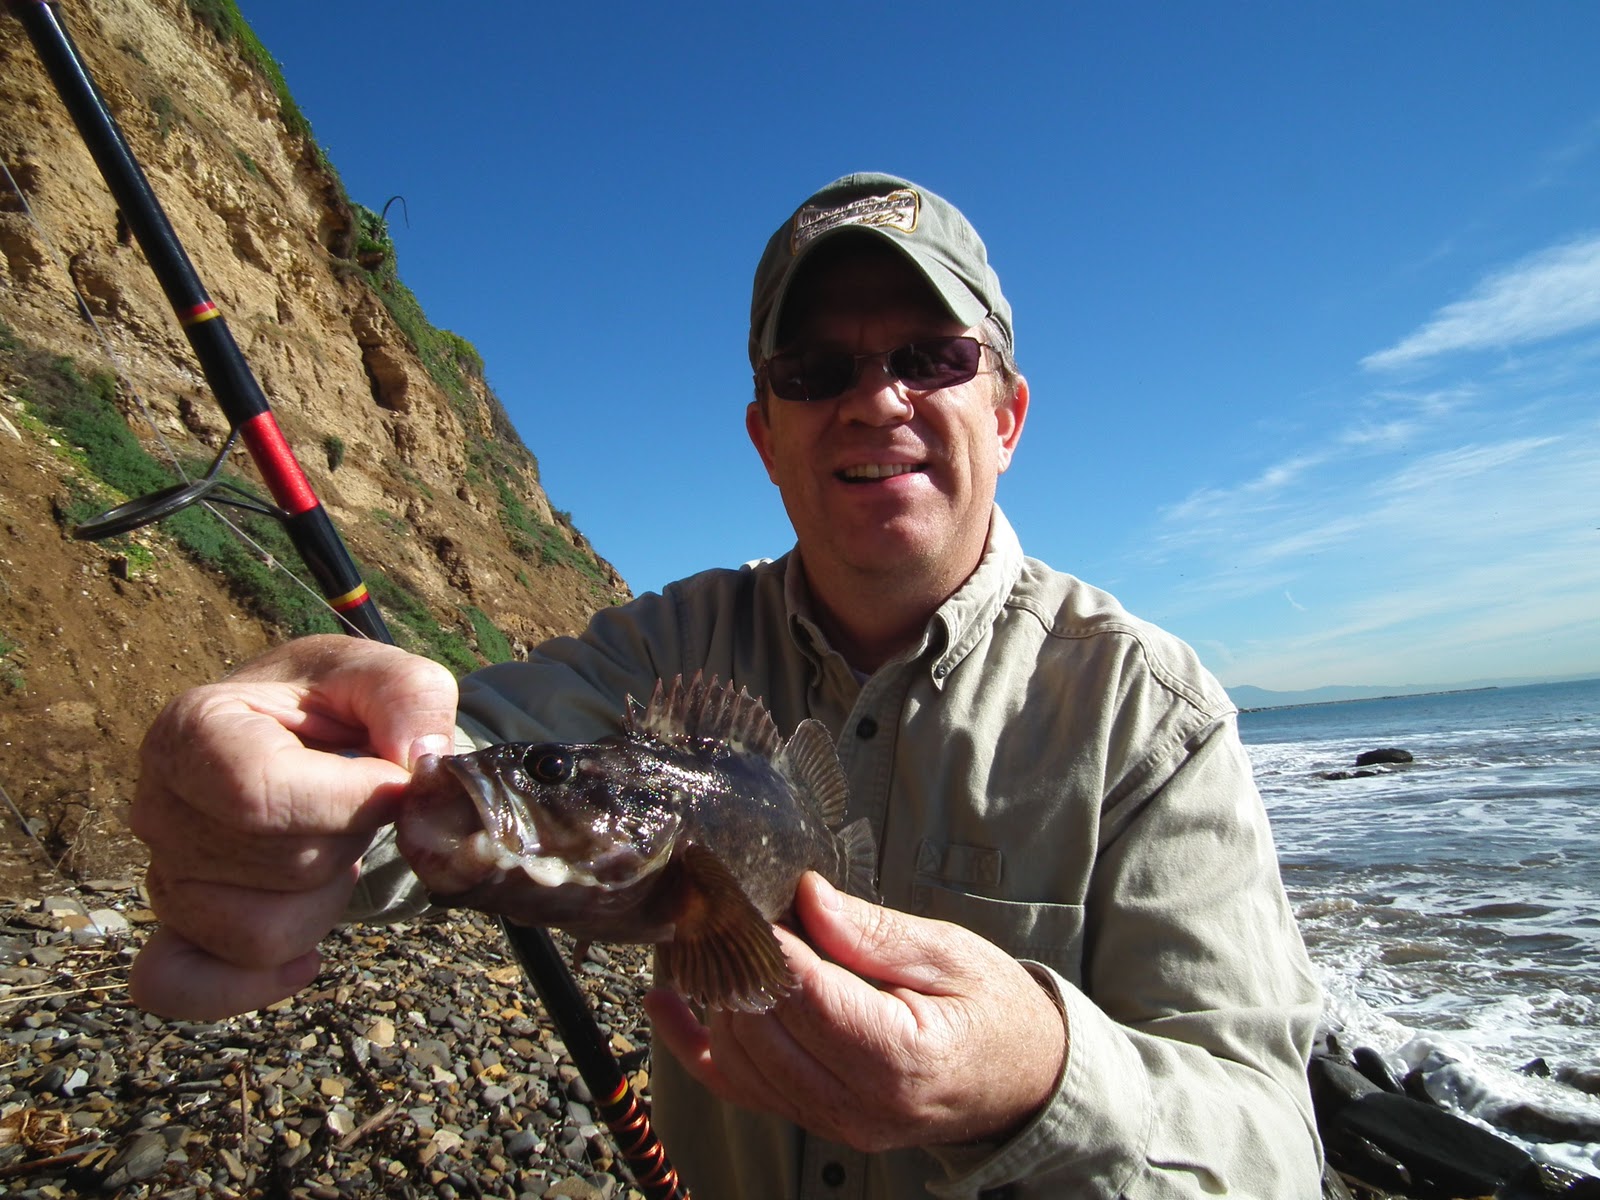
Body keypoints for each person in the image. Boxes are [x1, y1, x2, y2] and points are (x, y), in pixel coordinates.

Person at [131, 173, 1324, 1198]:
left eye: (931, 356)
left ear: (1006, 416)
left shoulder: (1145, 714)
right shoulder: (662, 652)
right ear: (762, 433)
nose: (873, 398)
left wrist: (1038, 1083)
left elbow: (1273, 1151)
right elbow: (450, 771)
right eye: (816, 368)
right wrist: (284, 797)